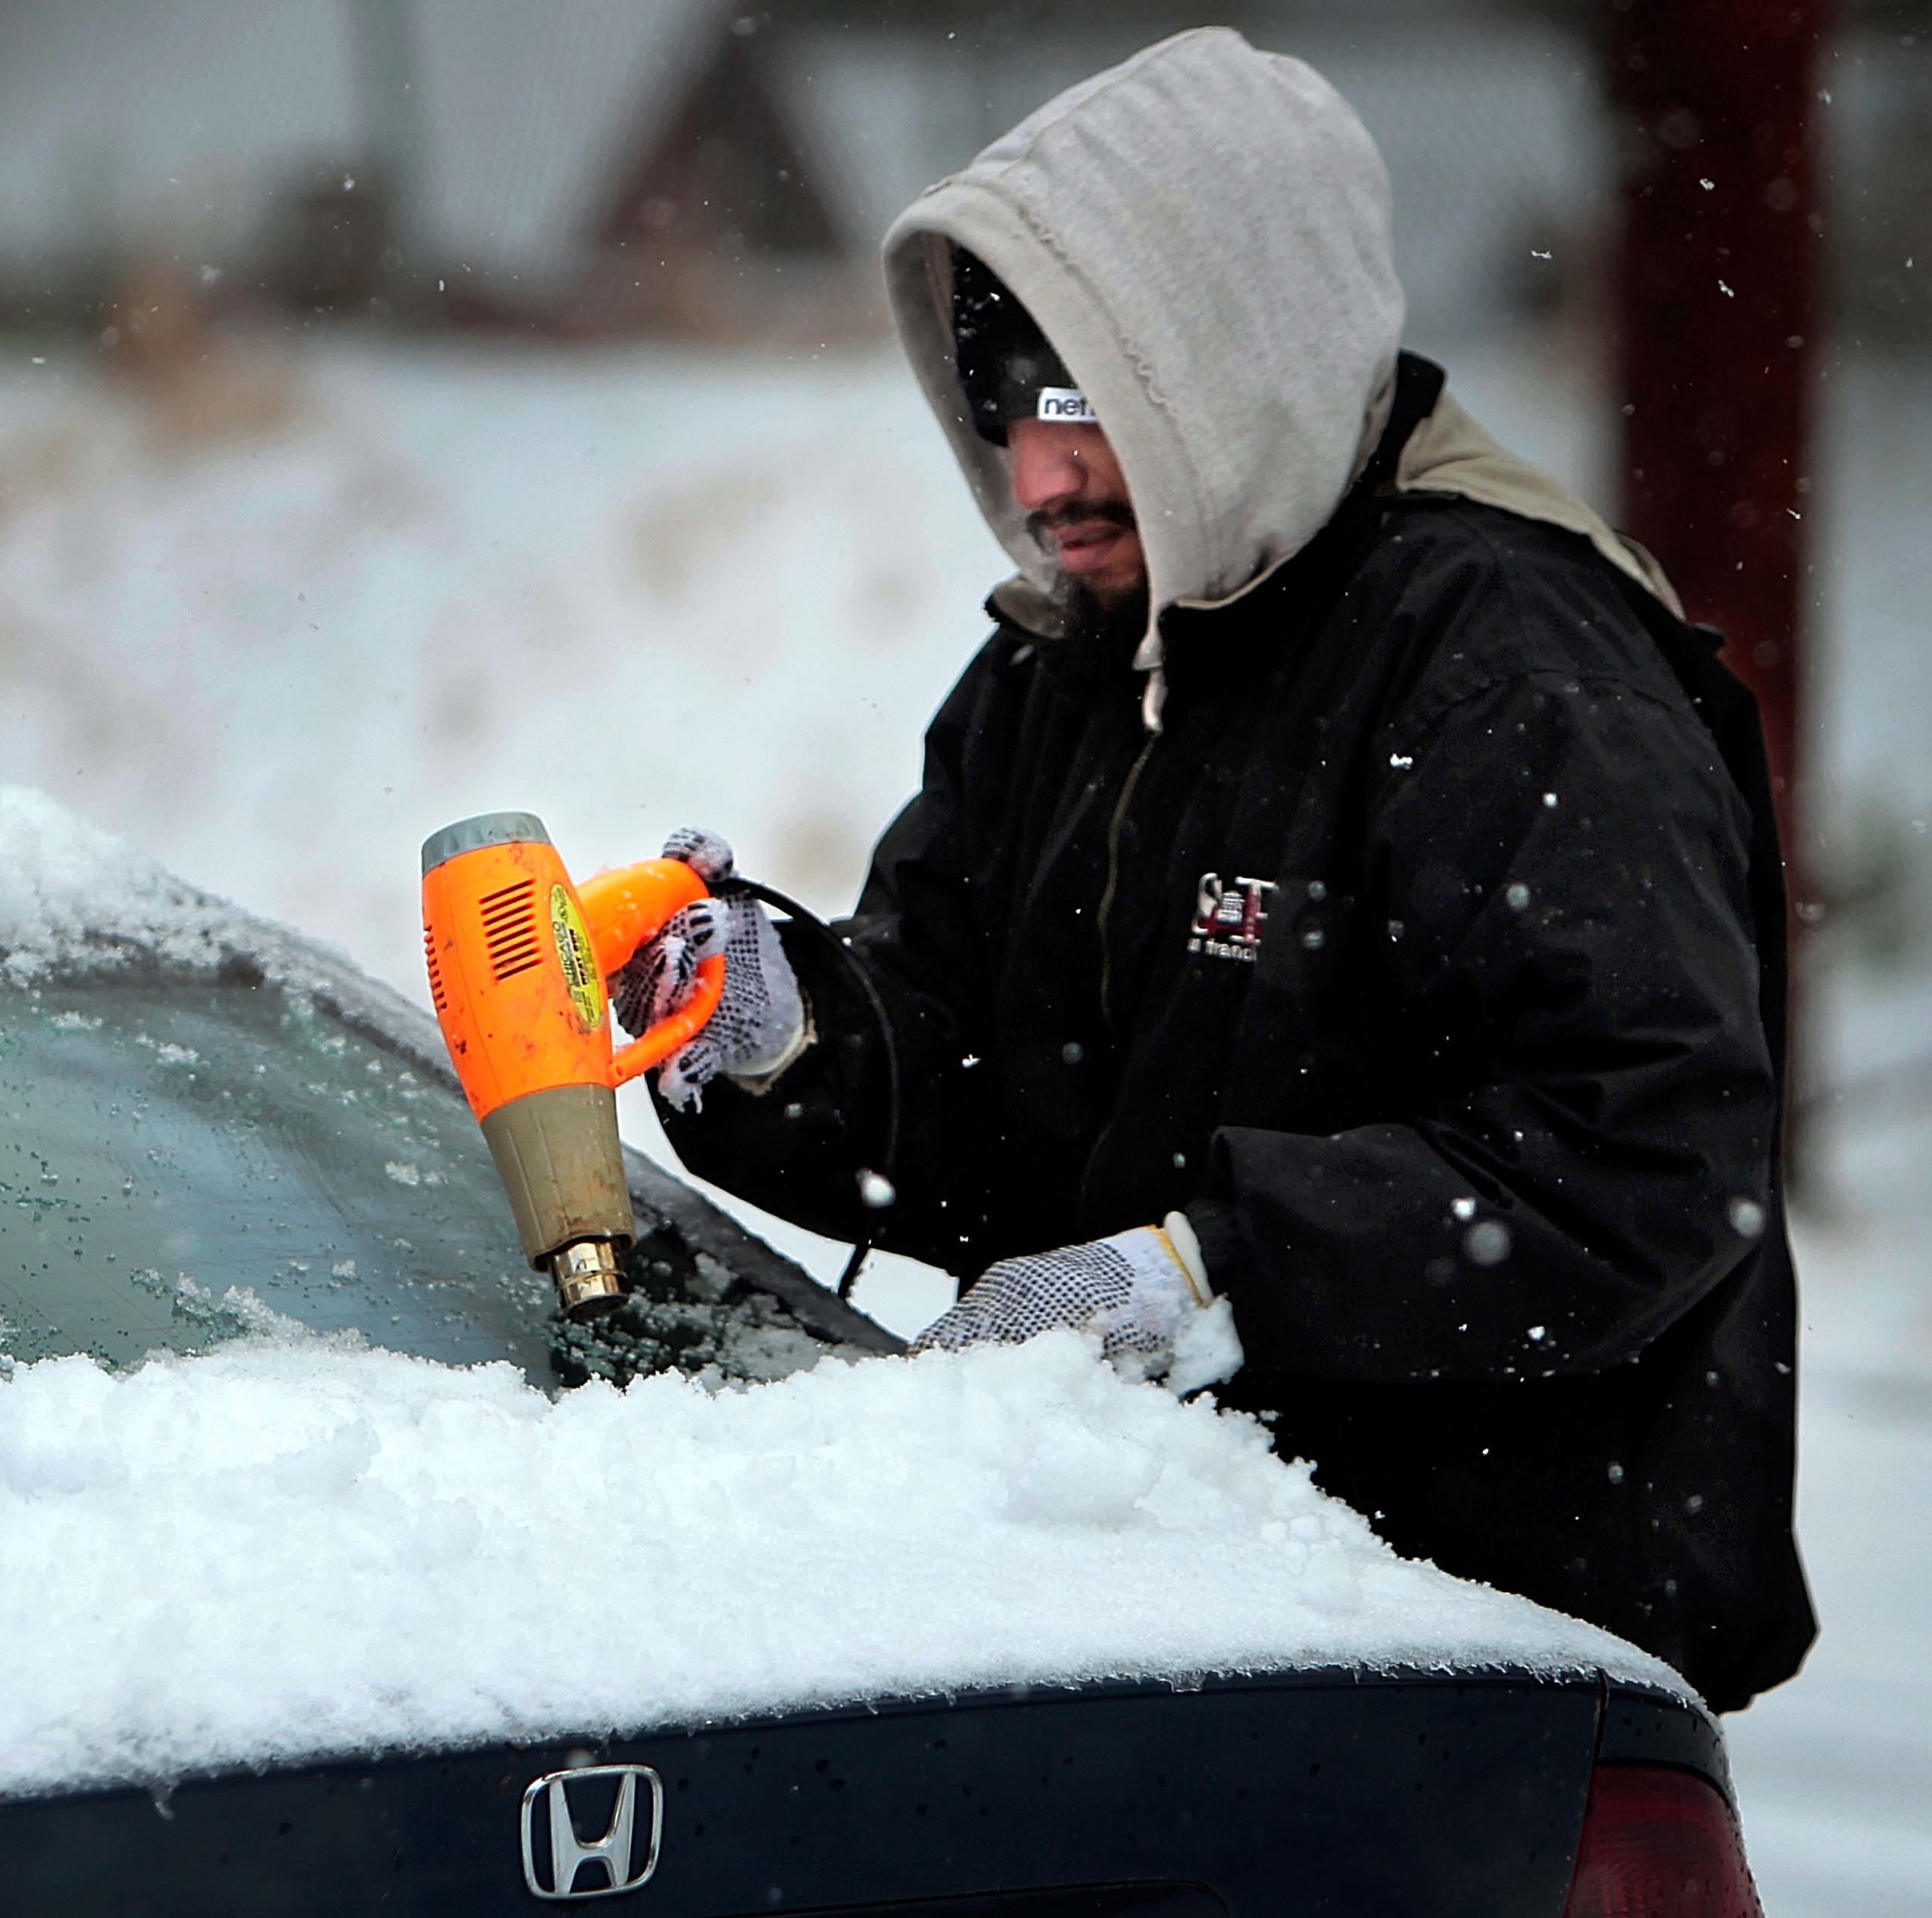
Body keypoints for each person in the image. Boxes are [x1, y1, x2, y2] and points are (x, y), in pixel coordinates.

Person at [610, 27, 1813, 1712]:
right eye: (996, 413)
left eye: (1080, 406)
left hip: (1481, 1669)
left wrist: (1208, 1276)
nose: (1039, 484)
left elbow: (1647, 1162)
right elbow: (979, 1098)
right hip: (1144, 1614)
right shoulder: (1072, 663)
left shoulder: (1514, 674)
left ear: (1234, 352)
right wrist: (786, 1036)